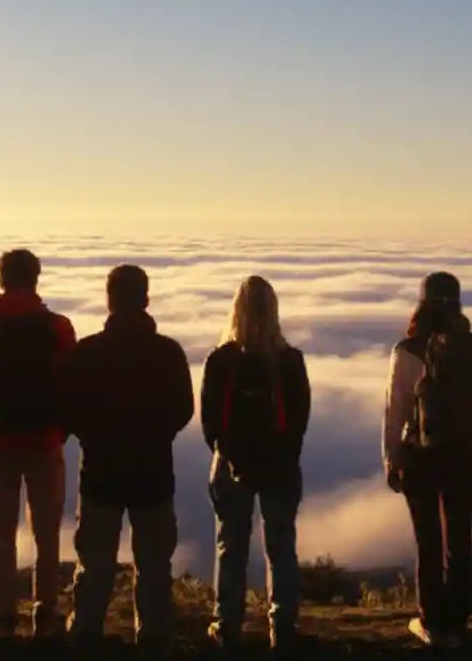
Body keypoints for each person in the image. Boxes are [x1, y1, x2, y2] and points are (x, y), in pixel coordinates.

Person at [62, 266, 195, 654]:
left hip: (99, 472)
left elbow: (66, 409)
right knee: (154, 564)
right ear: (146, 300)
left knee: (95, 561)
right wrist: (157, 434)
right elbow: (183, 409)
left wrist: (94, 436)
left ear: (109, 300)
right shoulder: (167, 352)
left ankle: (86, 630)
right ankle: (153, 634)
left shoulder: (86, 353)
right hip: (153, 473)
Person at [0, 249, 77, 639]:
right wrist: (59, 431)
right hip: (45, 442)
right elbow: (69, 385)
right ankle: (46, 612)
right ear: (36, 278)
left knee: (1, 531)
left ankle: (3, 614)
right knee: (46, 532)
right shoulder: (58, 327)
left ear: (1, 279)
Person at [382, 272, 472, 649]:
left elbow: (395, 410)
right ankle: (457, 626)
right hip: (463, 457)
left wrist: (391, 459)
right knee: (459, 541)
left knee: (427, 541)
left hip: (419, 457)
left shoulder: (409, 349)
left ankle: (431, 622)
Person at [201, 276, 311, 658]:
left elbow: (210, 423)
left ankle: (227, 624)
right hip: (281, 467)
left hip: (231, 466)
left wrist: (229, 454)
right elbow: (299, 422)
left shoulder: (221, 361)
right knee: (281, 547)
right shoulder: (290, 361)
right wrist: (282, 457)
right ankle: (282, 627)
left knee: (230, 545)